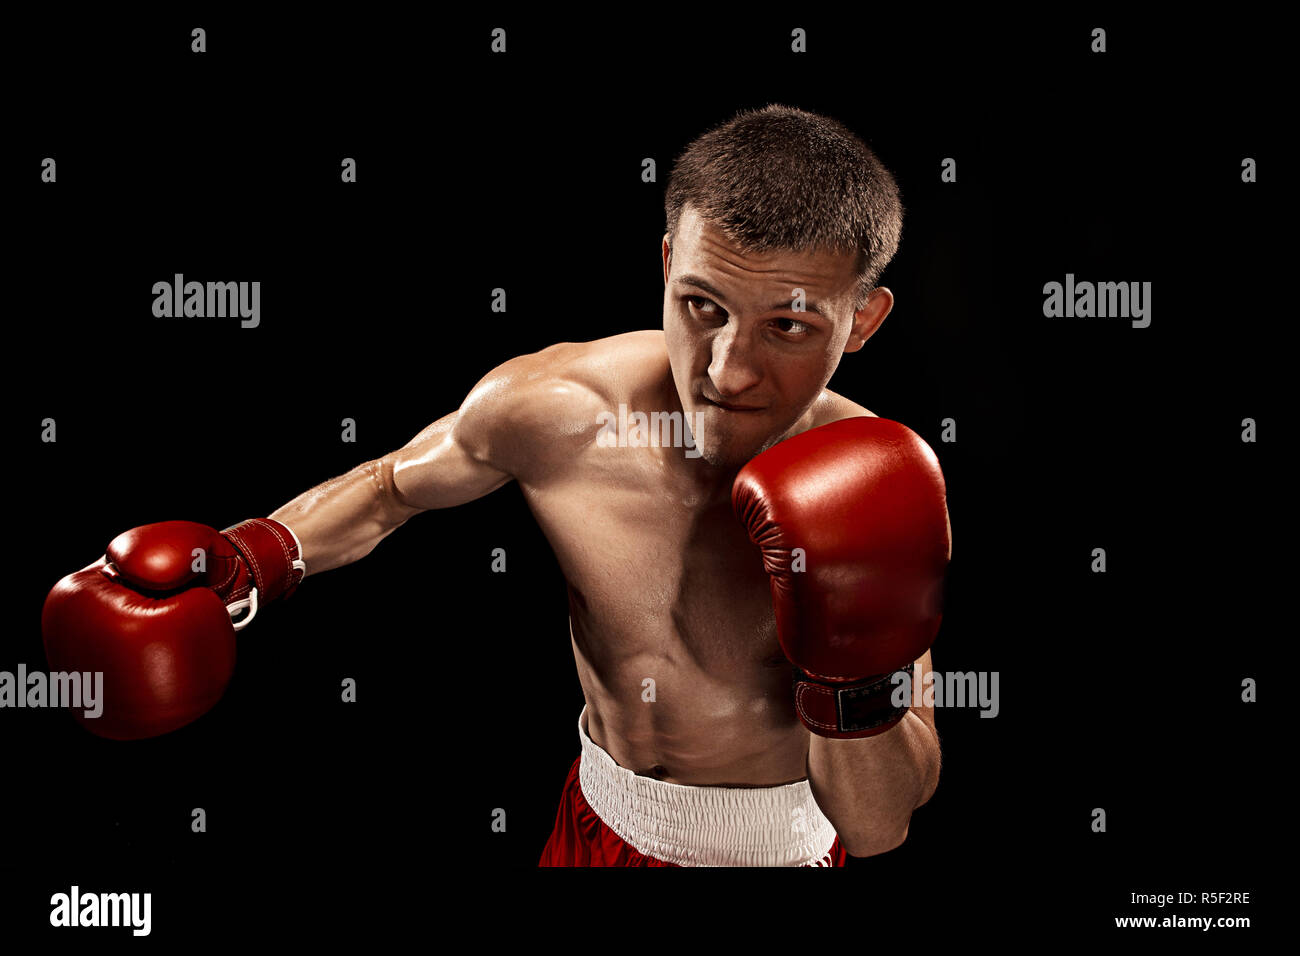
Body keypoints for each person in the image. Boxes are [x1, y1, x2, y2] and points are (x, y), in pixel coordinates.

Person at [43, 104, 951, 867]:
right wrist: (250, 560)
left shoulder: (875, 487)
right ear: (667, 262)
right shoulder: (554, 407)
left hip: (780, 854)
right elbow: (389, 487)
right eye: (702, 306)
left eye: (788, 327)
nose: (728, 370)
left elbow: (877, 825)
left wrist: (853, 685)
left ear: (862, 319)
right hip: (594, 824)